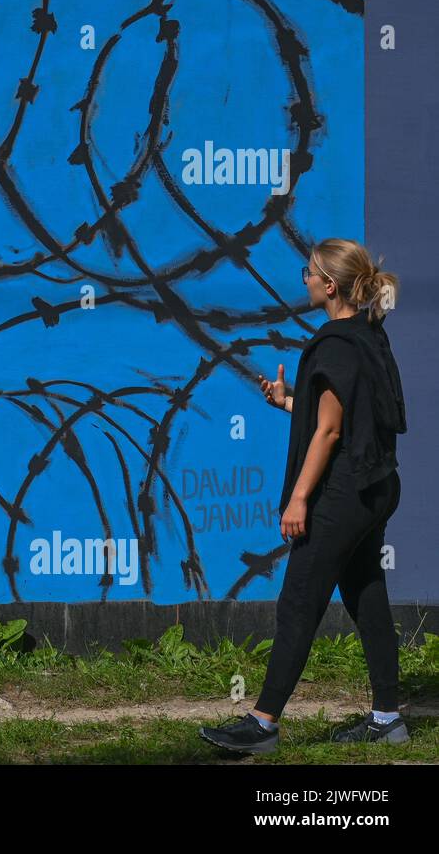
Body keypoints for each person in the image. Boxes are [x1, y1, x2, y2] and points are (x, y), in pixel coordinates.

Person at [201, 239, 407, 754]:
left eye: (308, 272)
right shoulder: (368, 334)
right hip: (377, 484)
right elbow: (345, 419)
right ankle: (388, 719)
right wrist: (291, 401)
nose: (304, 279)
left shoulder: (335, 343)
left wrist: (298, 499)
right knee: (366, 594)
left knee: (298, 602)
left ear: (329, 284)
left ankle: (263, 724)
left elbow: (331, 434)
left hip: (343, 494)